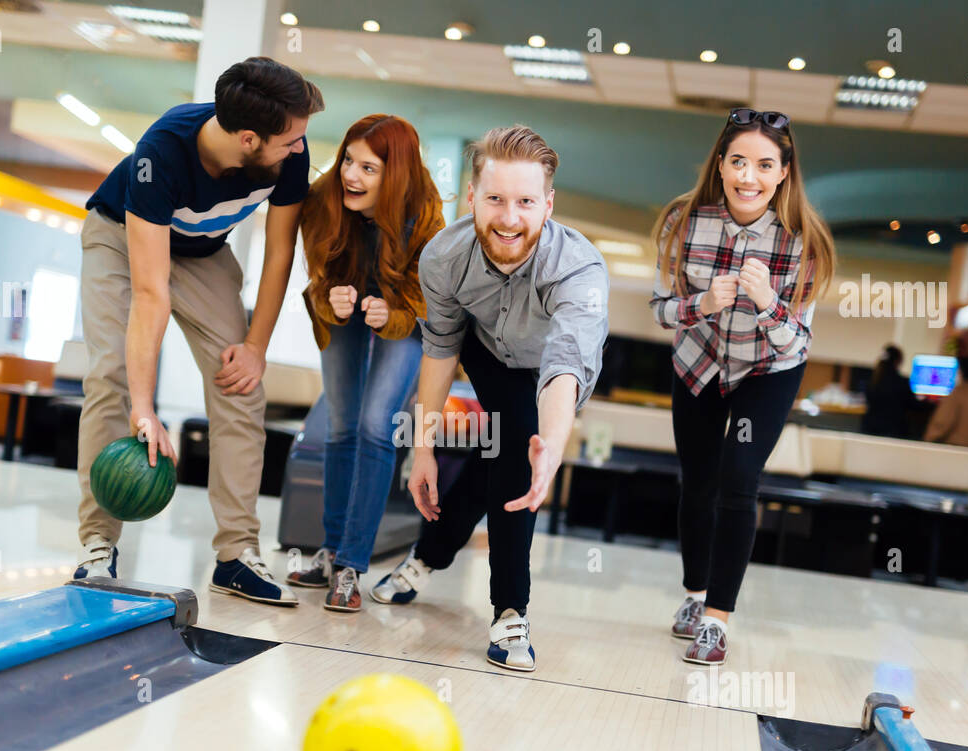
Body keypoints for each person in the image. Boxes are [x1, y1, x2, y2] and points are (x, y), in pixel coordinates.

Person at [74, 56, 323, 609]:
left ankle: (236, 555)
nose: (300, 150)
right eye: (287, 142)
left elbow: (281, 251)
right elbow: (150, 292)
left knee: (241, 385)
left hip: (204, 253)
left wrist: (256, 347)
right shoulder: (160, 155)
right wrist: (144, 405)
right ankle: (97, 545)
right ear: (249, 139)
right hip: (124, 241)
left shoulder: (291, 151)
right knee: (110, 378)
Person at [369, 125, 609, 672]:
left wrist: (549, 446)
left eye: (525, 201)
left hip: (550, 371)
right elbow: (439, 352)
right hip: (486, 351)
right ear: (471, 197)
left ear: (548, 205)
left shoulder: (579, 269)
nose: (508, 217)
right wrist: (422, 449)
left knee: (504, 459)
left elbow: (564, 367)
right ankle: (496, 600)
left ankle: (491, 601)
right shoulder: (443, 258)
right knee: (507, 457)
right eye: (495, 199)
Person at [650, 108, 835, 666]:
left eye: (763, 165)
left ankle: (716, 620)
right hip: (698, 362)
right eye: (738, 162)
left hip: (766, 371)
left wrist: (768, 303)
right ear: (722, 165)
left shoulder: (804, 242)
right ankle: (693, 595)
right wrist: (700, 304)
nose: (748, 177)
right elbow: (659, 310)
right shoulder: (683, 221)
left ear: (783, 172)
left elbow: (794, 343)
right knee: (698, 481)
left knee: (738, 479)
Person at [288, 115, 445, 612]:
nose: (351, 176)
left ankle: (352, 566)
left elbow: (426, 301)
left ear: (394, 174)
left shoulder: (426, 214)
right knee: (341, 424)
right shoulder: (321, 201)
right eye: (348, 162)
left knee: (377, 426)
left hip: (403, 307)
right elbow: (316, 278)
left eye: (369, 169)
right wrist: (329, 299)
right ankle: (330, 551)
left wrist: (392, 315)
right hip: (344, 299)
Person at [923, 353, 968, 448]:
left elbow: (943, 423)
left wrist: (928, 439)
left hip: (954, 449)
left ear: (961, 371)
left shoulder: (958, 393)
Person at [861, 344, 923, 438]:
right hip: (894, 433)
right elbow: (914, 405)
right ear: (898, 361)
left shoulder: (872, 380)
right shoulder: (901, 382)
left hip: (870, 430)